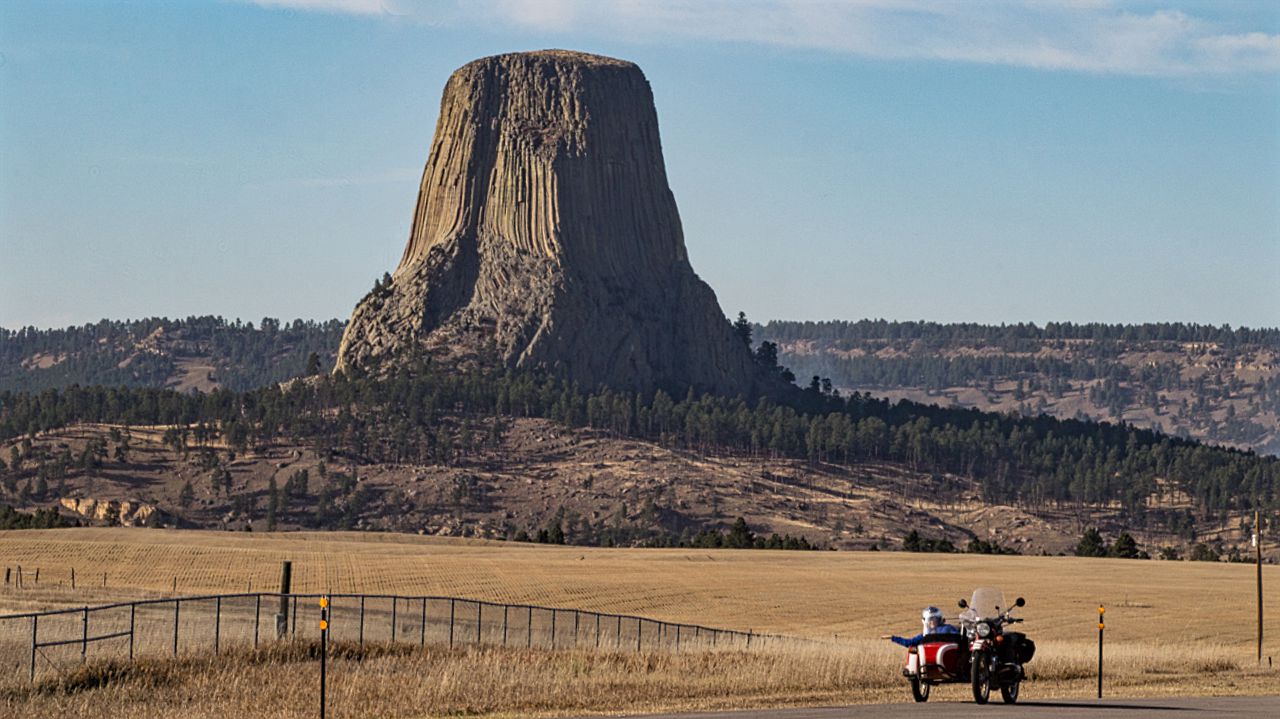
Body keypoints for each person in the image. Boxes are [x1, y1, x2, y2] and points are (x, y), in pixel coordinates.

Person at [880, 606, 960, 647]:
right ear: (925, 622)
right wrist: (893, 637)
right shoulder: (923, 636)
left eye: (934, 619)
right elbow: (909, 643)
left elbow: (958, 638)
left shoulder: (948, 628)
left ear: (939, 620)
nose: (931, 622)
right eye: (929, 620)